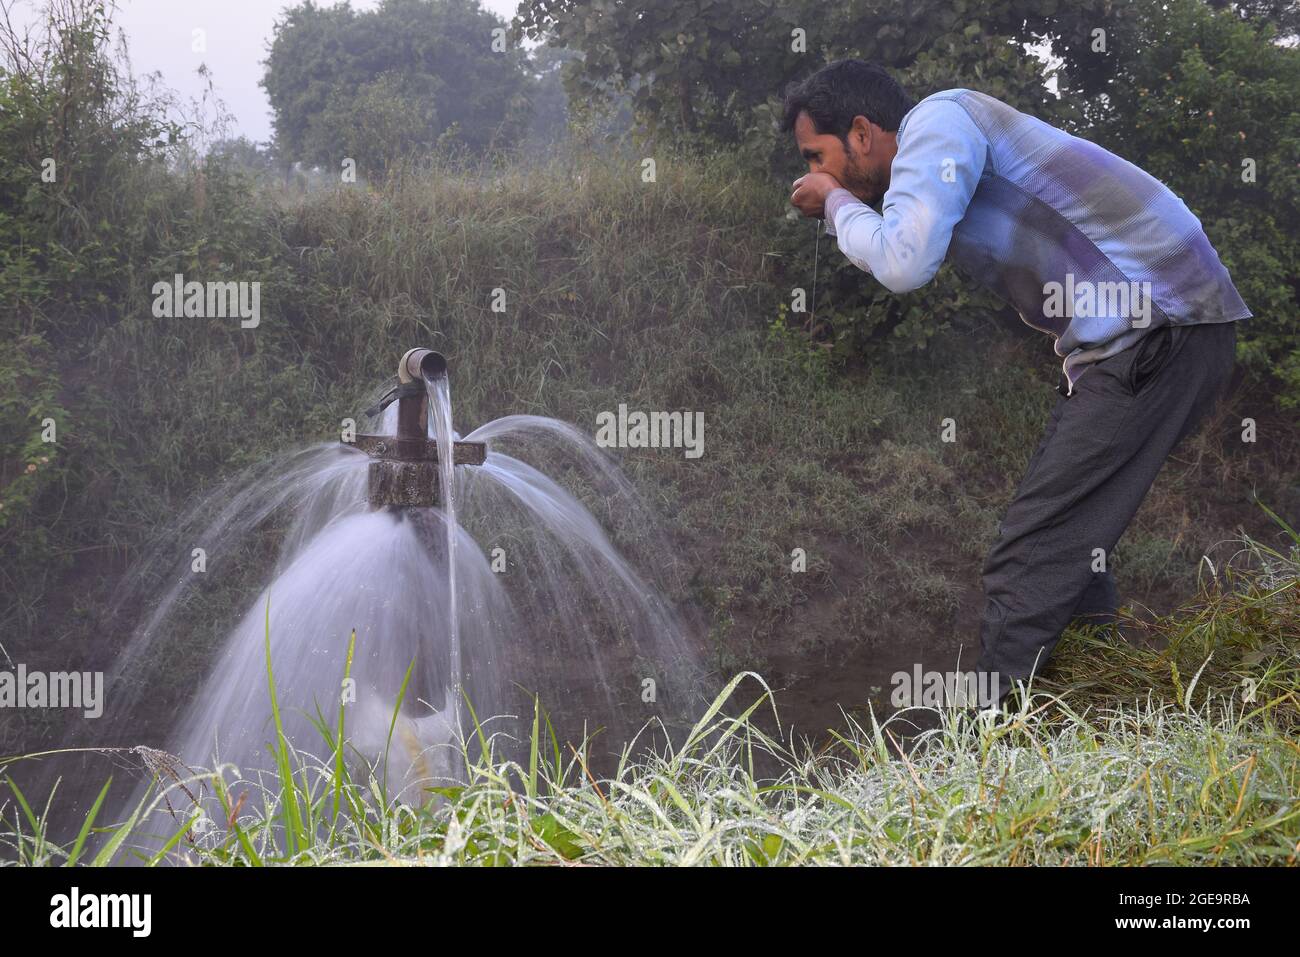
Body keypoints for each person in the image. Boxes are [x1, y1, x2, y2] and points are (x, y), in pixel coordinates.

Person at [784, 59, 1248, 708]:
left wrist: (833, 202)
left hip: (1157, 331)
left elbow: (902, 261)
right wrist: (842, 199)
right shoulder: (936, 163)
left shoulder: (938, 123)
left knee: (1029, 557)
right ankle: (1093, 706)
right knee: (1071, 545)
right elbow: (906, 241)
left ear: (862, 132)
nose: (814, 172)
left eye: (818, 155)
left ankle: (991, 758)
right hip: (1160, 334)